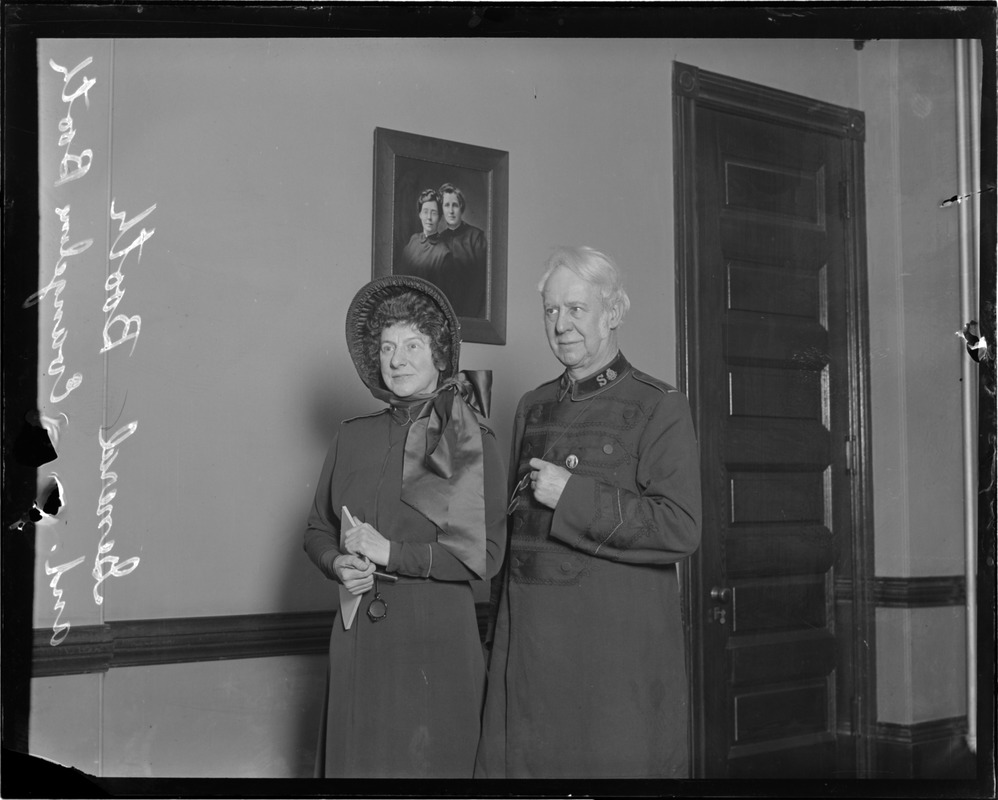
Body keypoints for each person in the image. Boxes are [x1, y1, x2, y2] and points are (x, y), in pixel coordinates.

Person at [475, 246, 702, 778]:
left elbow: (681, 528)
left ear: (614, 312)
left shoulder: (659, 404)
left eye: (576, 309)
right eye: (551, 311)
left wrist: (571, 496)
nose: (561, 324)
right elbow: (517, 547)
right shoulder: (532, 405)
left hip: (610, 667)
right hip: (529, 660)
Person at [304, 275, 507, 778]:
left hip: (434, 640)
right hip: (358, 642)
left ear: (439, 353)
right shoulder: (353, 437)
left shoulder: (466, 437)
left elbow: (484, 555)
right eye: (387, 347)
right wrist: (338, 563)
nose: (397, 359)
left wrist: (390, 553)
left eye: (412, 344)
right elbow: (316, 531)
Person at [437, 183, 487, 318]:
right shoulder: (438, 240)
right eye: (447, 205)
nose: (451, 211)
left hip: (471, 312)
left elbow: (481, 283)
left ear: (461, 207)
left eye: (455, 205)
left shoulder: (476, 237)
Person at [398, 189, 454, 286]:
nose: (429, 217)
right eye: (425, 212)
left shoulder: (444, 253)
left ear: (440, 217)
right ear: (420, 214)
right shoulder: (413, 240)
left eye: (433, 213)